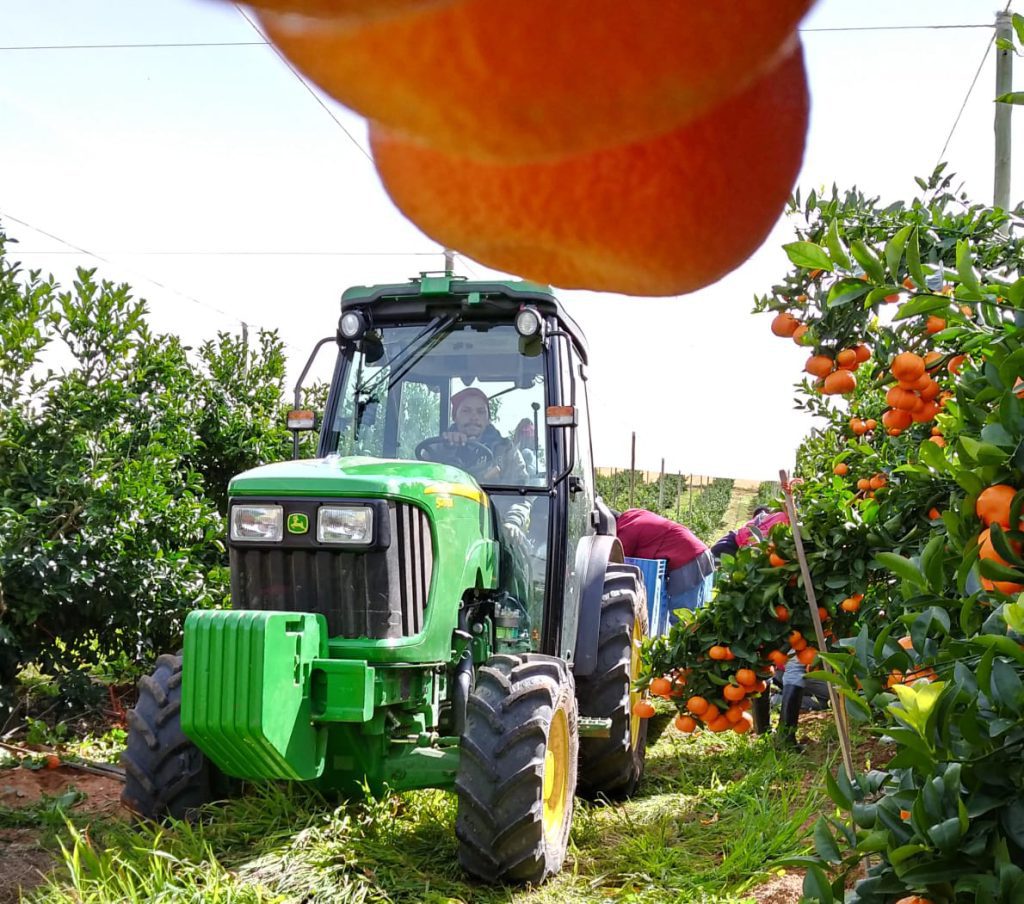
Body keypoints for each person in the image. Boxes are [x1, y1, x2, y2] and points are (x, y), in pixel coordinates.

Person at [613, 508, 715, 614]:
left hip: (688, 558)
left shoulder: (626, 529)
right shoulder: (633, 515)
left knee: (681, 615)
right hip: (700, 552)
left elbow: (618, 562)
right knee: (696, 613)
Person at [441, 386, 528, 484]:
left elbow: (521, 490)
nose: (474, 417)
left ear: (488, 420)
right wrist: (447, 450)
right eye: (466, 411)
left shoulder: (507, 452)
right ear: (454, 417)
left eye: (480, 412)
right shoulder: (438, 448)